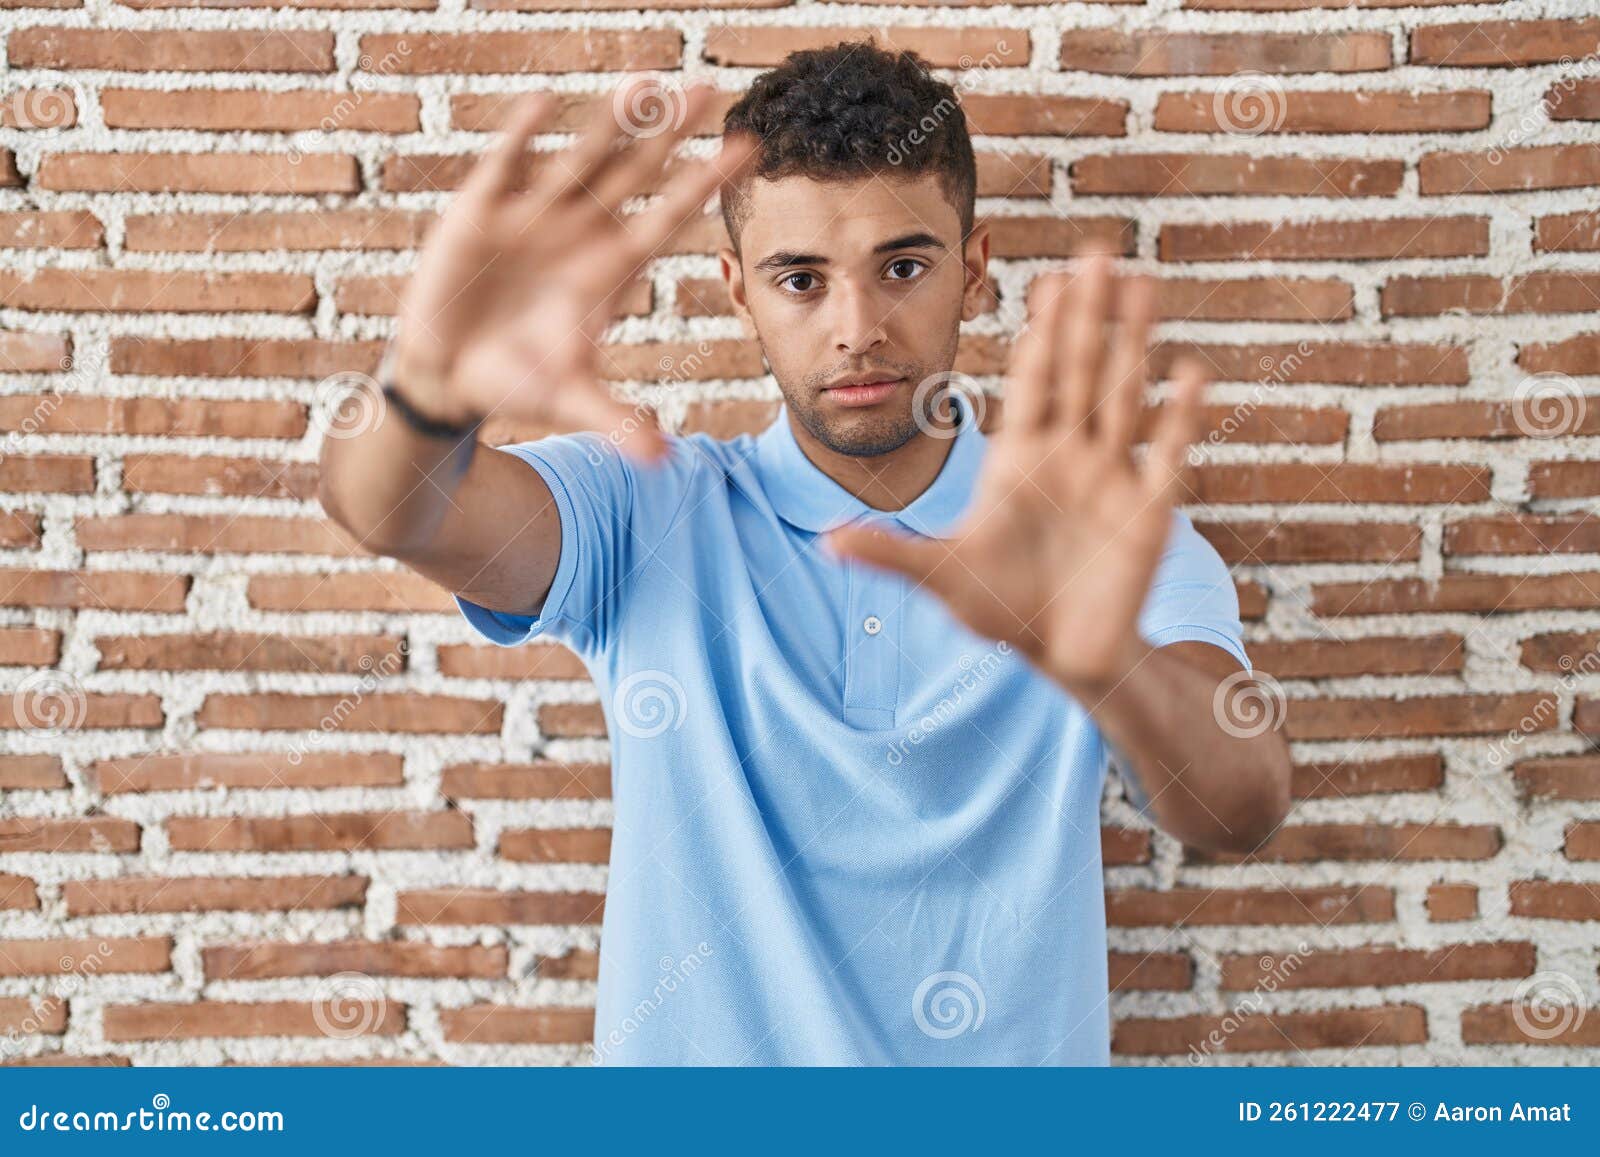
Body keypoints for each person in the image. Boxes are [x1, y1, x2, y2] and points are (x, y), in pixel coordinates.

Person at [319, 42, 1293, 1066]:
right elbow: (396, 511)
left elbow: (1244, 805)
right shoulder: (641, 507)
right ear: (738, 289)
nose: (857, 328)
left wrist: (1108, 665)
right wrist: (427, 385)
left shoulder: (1100, 532)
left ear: (974, 267)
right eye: (801, 279)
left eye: (903, 267)